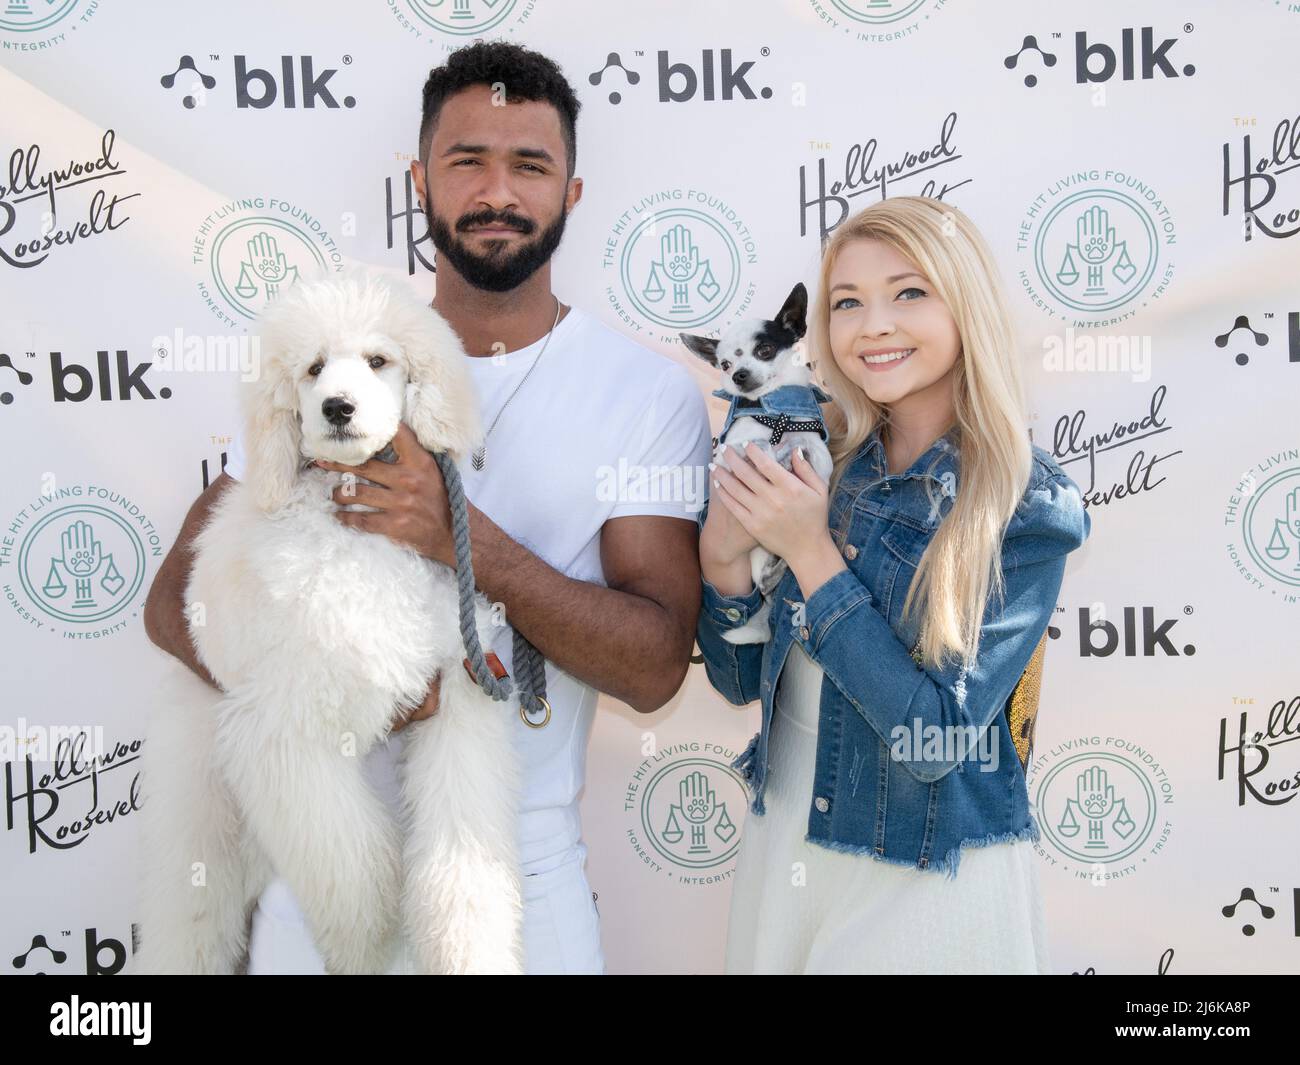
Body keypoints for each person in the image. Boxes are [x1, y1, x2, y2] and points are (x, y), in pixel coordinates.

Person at [143, 41, 712, 975]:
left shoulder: (643, 396)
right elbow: (175, 608)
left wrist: (461, 540)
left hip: (516, 889)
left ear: (571, 193)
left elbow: (653, 667)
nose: (498, 192)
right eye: (467, 161)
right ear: (420, 182)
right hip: (316, 893)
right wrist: (333, 702)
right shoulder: (336, 349)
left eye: (530, 164)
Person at [694, 196, 1091, 974]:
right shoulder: (816, 460)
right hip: (787, 852)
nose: (873, 323)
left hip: (925, 875)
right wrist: (721, 561)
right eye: (847, 302)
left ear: (963, 303)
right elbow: (740, 679)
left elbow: (934, 739)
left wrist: (811, 553)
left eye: (909, 292)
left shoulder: (1022, 504)